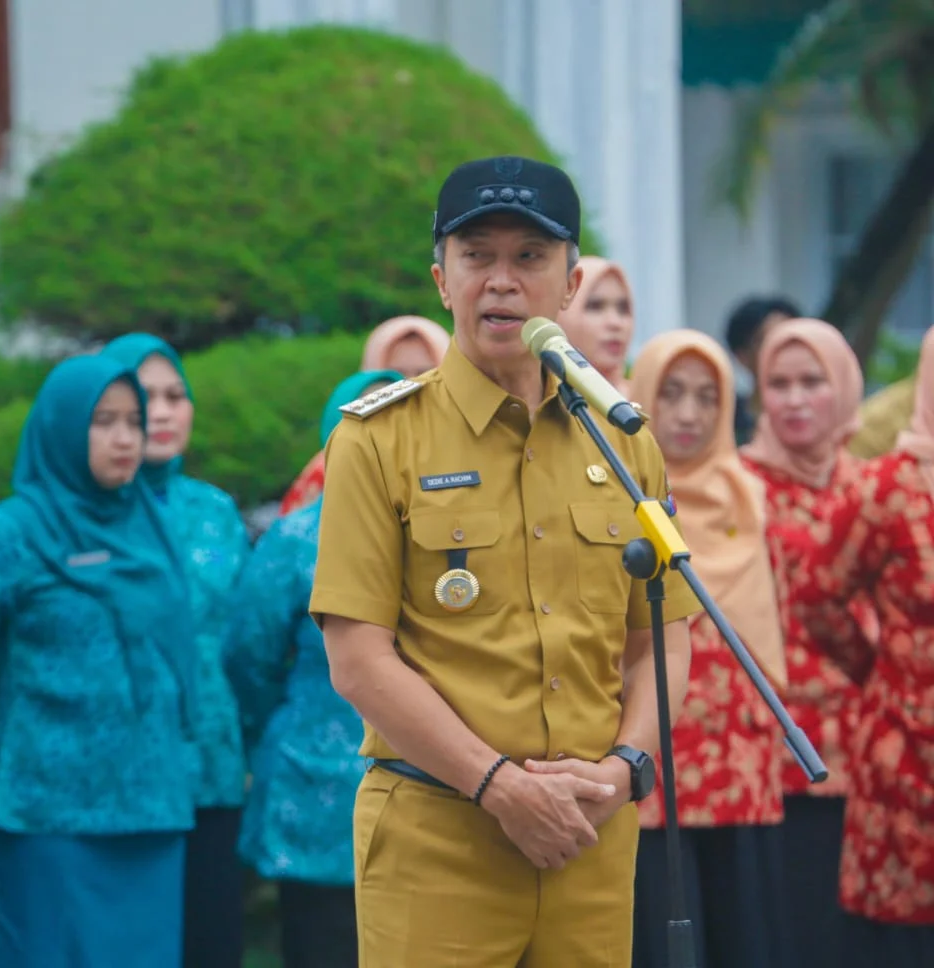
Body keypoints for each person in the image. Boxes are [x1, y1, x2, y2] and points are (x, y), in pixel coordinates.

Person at [309, 155, 699, 966]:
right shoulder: (379, 439)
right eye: (477, 254)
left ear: (570, 283)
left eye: (530, 257)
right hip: (439, 834)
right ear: (441, 278)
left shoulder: (623, 441)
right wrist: (499, 786)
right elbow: (357, 660)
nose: (501, 281)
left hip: (590, 836)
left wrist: (630, 764)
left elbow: (659, 636)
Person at [0, 355, 196, 968]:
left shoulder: (152, 526)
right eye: (102, 421)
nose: (124, 437)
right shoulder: (9, 534)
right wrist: (29, 731)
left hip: (150, 804)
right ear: (60, 427)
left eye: (133, 421)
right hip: (46, 810)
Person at [227, 368, 401, 968]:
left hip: (427, 788)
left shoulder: (441, 535)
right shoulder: (295, 540)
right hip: (315, 794)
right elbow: (250, 659)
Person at [625, 331, 788, 968]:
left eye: (706, 398)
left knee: (738, 927)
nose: (689, 415)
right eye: (670, 395)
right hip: (649, 743)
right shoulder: (613, 495)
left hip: (736, 752)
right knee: (655, 932)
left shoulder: (748, 496)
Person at [787, 324, 934, 966]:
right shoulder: (888, 487)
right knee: (902, 936)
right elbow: (816, 594)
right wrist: (878, 670)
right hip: (908, 756)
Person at [102, 333, 251, 968]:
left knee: (206, 942)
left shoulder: (215, 511)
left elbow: (250, 641)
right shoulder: (86, 510)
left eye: (174, 396)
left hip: (210, 767)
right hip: (114, 774)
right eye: (142, 397)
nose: (160, 413)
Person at [739, 318, 871, 968]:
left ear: (844, 388)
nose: (793, 400)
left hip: (878, 753)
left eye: (811, 382)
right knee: (797, 932)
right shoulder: (738, 487)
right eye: (778, 384)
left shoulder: (878, 488)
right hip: (782, 755)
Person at [278, 316, 450, 516]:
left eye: (425, 373)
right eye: (396, 374)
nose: (408, 385)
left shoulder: (467, 447)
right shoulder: (332, 464)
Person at [724, 295, 801, 444]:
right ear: (742, 356)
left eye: (791, 341)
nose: (783, 351)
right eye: (771, 341)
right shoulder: (725, 418)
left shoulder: (818, 413)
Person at [556, 256, 635, 393]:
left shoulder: (644, 405)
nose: (615, 323)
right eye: (595, 306)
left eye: (623, 309)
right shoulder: (539, 405)